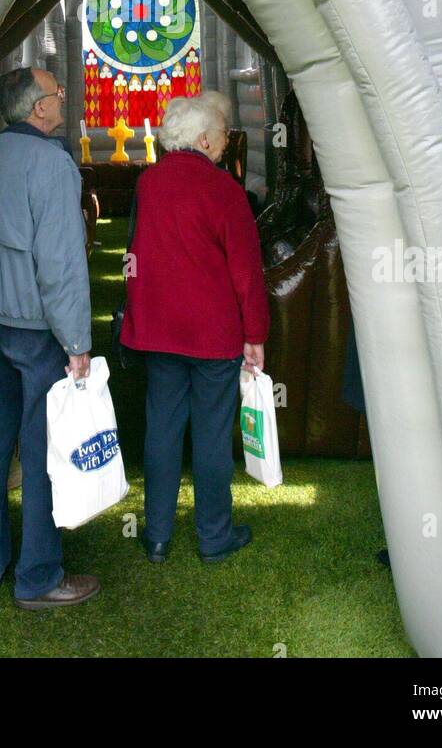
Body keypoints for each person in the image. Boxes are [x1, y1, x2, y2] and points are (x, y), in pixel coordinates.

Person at [0, 65, 99, 609]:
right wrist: (77, 341)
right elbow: (60, 263)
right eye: (58, 93)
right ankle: (38, 577)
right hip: (35, 330)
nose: (62, 99)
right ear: (40, 108)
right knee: (41, 452)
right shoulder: (53, 164)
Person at [121, 93, 270, 564]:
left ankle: (158, 536)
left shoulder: (149, 183)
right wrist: (256, 335)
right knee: (210, 436)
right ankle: (213, 537)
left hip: (159, 332)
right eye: (223, 134)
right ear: (204, 139)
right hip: (213, 336)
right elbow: (247, 272)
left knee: (162, 431)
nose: (226, 142)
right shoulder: (225, 190)